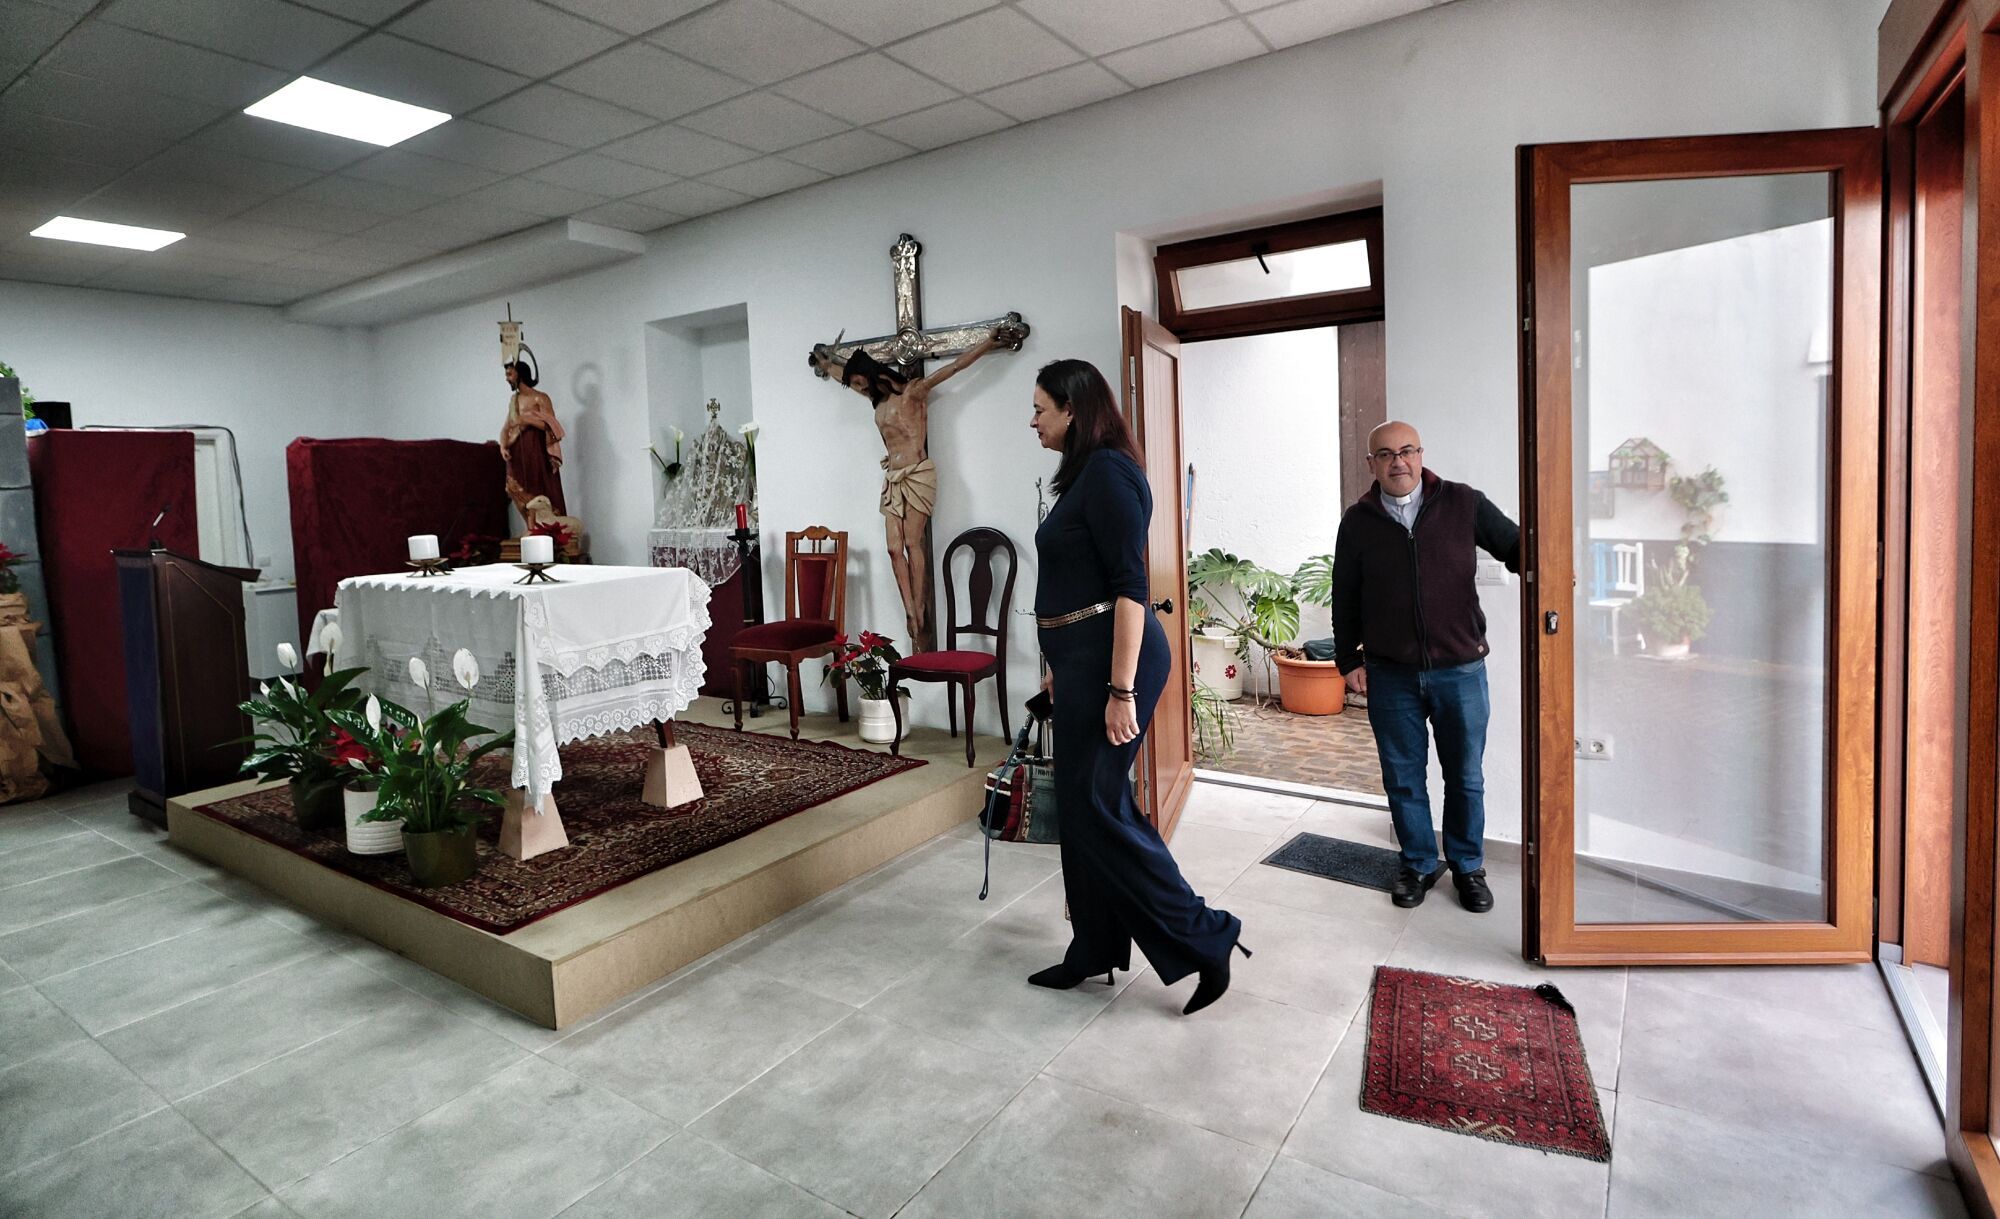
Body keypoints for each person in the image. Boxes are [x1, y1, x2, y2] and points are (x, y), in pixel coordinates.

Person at [1029, 358, 1247, 1016]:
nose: (1032, 420)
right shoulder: (1084, 477)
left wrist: (1119, 689)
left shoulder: (1110, 473)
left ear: (1074, 408)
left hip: (1115, 663)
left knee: (1100, 808)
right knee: (1082, 807)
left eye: (1040, 407)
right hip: (1083, 660)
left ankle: (1208, 936)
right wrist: (1059, 665)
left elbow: (1130, 589)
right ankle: (1092, 945)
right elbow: (1080, 586)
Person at [1331, 421, 1520, 912]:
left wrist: (1558, 563)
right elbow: (1345, 596)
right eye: (1386, 453)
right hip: (1391, 673)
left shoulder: (1463, 503)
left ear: (1421, 455)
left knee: (1465, 776)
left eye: (1407, 451)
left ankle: (1468, 867)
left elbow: (1518, 547)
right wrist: (1349, 659)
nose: (1398, 461)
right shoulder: (1358, 521)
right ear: (1371, 463)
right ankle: (1417, 863)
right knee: (1403, 777)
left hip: (1460, 670)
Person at [809, 329, 1016, 652]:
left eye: (859, 382)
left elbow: (956, 367)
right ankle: (909, 609)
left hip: (918, 475)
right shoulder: (874, 401)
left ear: (871, 375)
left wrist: (990, 341)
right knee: (893, 549)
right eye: (855, 385)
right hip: (893, 478)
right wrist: (826, 364)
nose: (858, 388)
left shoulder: (913, 393)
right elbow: (843, 378)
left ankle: (920, 609)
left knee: (910, 542)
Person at [500, 359, 565, 518]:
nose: (507, 378)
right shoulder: (514, 400)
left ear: (519, 374)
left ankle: (549, 525)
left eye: (509, 374)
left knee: (539, 486)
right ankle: (531, 524)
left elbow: (551, 425)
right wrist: (503, 445)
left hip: (536, 449)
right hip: (517, 450)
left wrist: (527, 420)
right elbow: (506, 426)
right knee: (516, 488)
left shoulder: (540, 398)